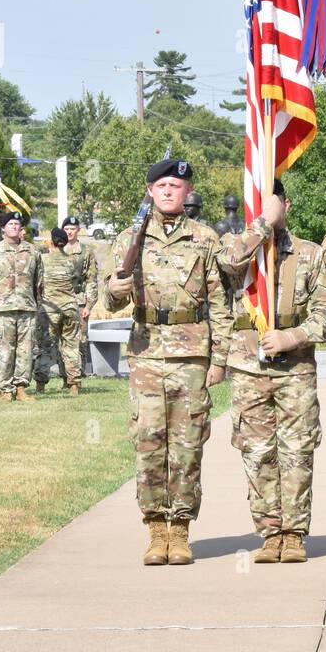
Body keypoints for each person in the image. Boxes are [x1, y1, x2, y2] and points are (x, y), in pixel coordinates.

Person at [102, 159, 232, 566]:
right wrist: (115, 287)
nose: (169, 192)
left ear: (187, 191)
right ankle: (156, 530)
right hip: (146, 353)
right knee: (148, 443)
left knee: (189, 445)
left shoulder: (206, 238)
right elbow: (108, 298)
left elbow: (220, 303)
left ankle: (181, 531)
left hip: (192, 353)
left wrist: (220, 358)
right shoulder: (129, 237)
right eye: (161, 185)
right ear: (150, 191)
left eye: (176, 185)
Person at [218, 182, 326, 564]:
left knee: (297, 452)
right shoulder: (239, 247)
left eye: (275, 204)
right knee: (257, 453)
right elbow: (227, 264)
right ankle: (270, 532)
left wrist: (294, 336)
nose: (271, 210)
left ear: (287, 203)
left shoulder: (309, 253)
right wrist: (262, 226)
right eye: (262, 204)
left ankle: (295, 533)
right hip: (249, 365)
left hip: (295, 367)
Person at [0, 211, 43, 402]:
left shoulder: (32, 251)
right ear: (3, 228)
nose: (14, 226)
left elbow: (40, 280)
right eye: (10, 224)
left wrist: (36, 304)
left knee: (26, 349)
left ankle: (21, 388)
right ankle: (6, 389)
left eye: (17, 224)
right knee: (5, 350)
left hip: (27, 308)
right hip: (3, 310)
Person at [34, 228, 96, 395]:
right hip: (70, 308)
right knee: (71, 347)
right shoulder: (71, 261)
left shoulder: (43, 260)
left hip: (49, 309)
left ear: (52, 241)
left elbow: (37, 284)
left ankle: (40, 384)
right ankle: (74, 384)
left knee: (45, 347)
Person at [62, 215, 98, 375]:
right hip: (60, 300)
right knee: (62, 338)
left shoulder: (86, 251)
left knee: (81, 339)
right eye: (67, 229)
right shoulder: (56, 250)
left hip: (80, 300)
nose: (69, 232)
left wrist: (89, 305)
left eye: (72, 229)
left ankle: (79, 373)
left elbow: (91, 279)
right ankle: (65, 374)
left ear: (78, 230)